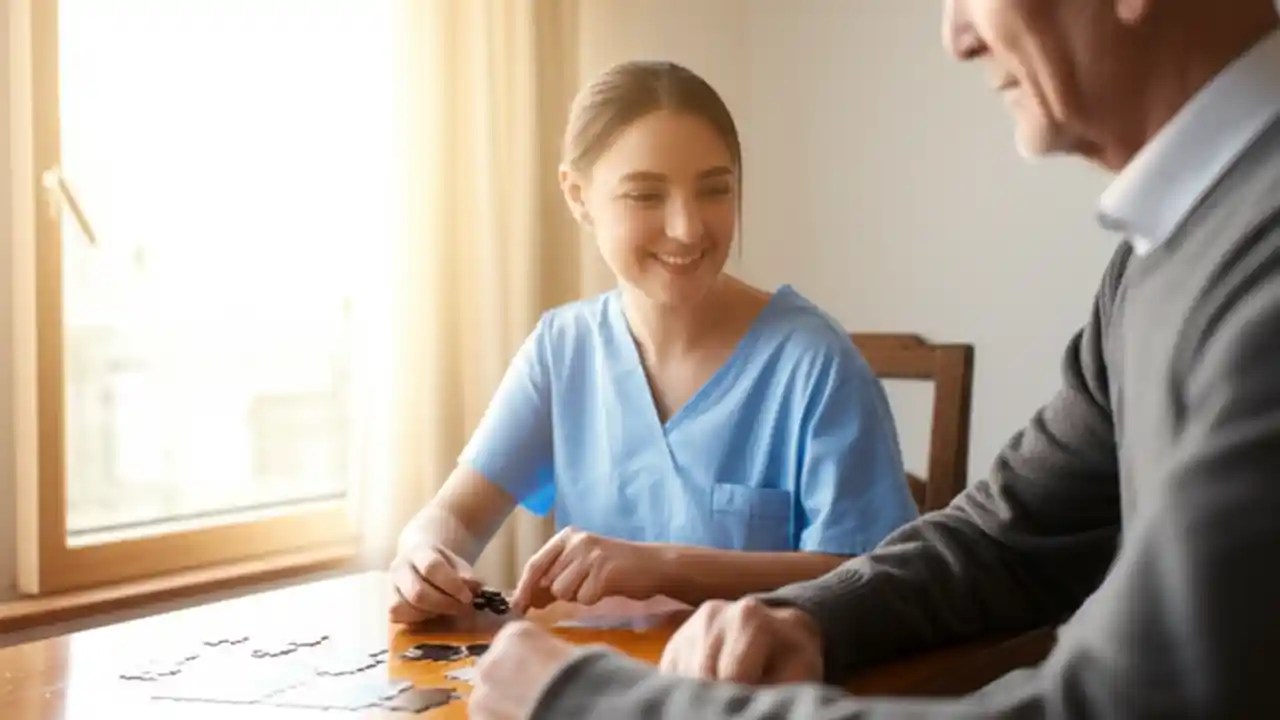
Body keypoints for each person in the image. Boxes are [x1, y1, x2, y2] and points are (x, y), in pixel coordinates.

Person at [467, 0, 1280, 718]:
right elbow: (1007, 535)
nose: (955, 35)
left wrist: (595, 703)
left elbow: (1127, 704)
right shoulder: (1158, 257)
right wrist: (814, 616)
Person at [387, 61, 918, 624]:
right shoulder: (562, 351)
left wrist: (665, 566)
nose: (687, 227)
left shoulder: (815, 365)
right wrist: (422, 555)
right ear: (577, 195)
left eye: (714, 189)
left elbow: (876, 575)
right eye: (645, 195)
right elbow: (456, 517)